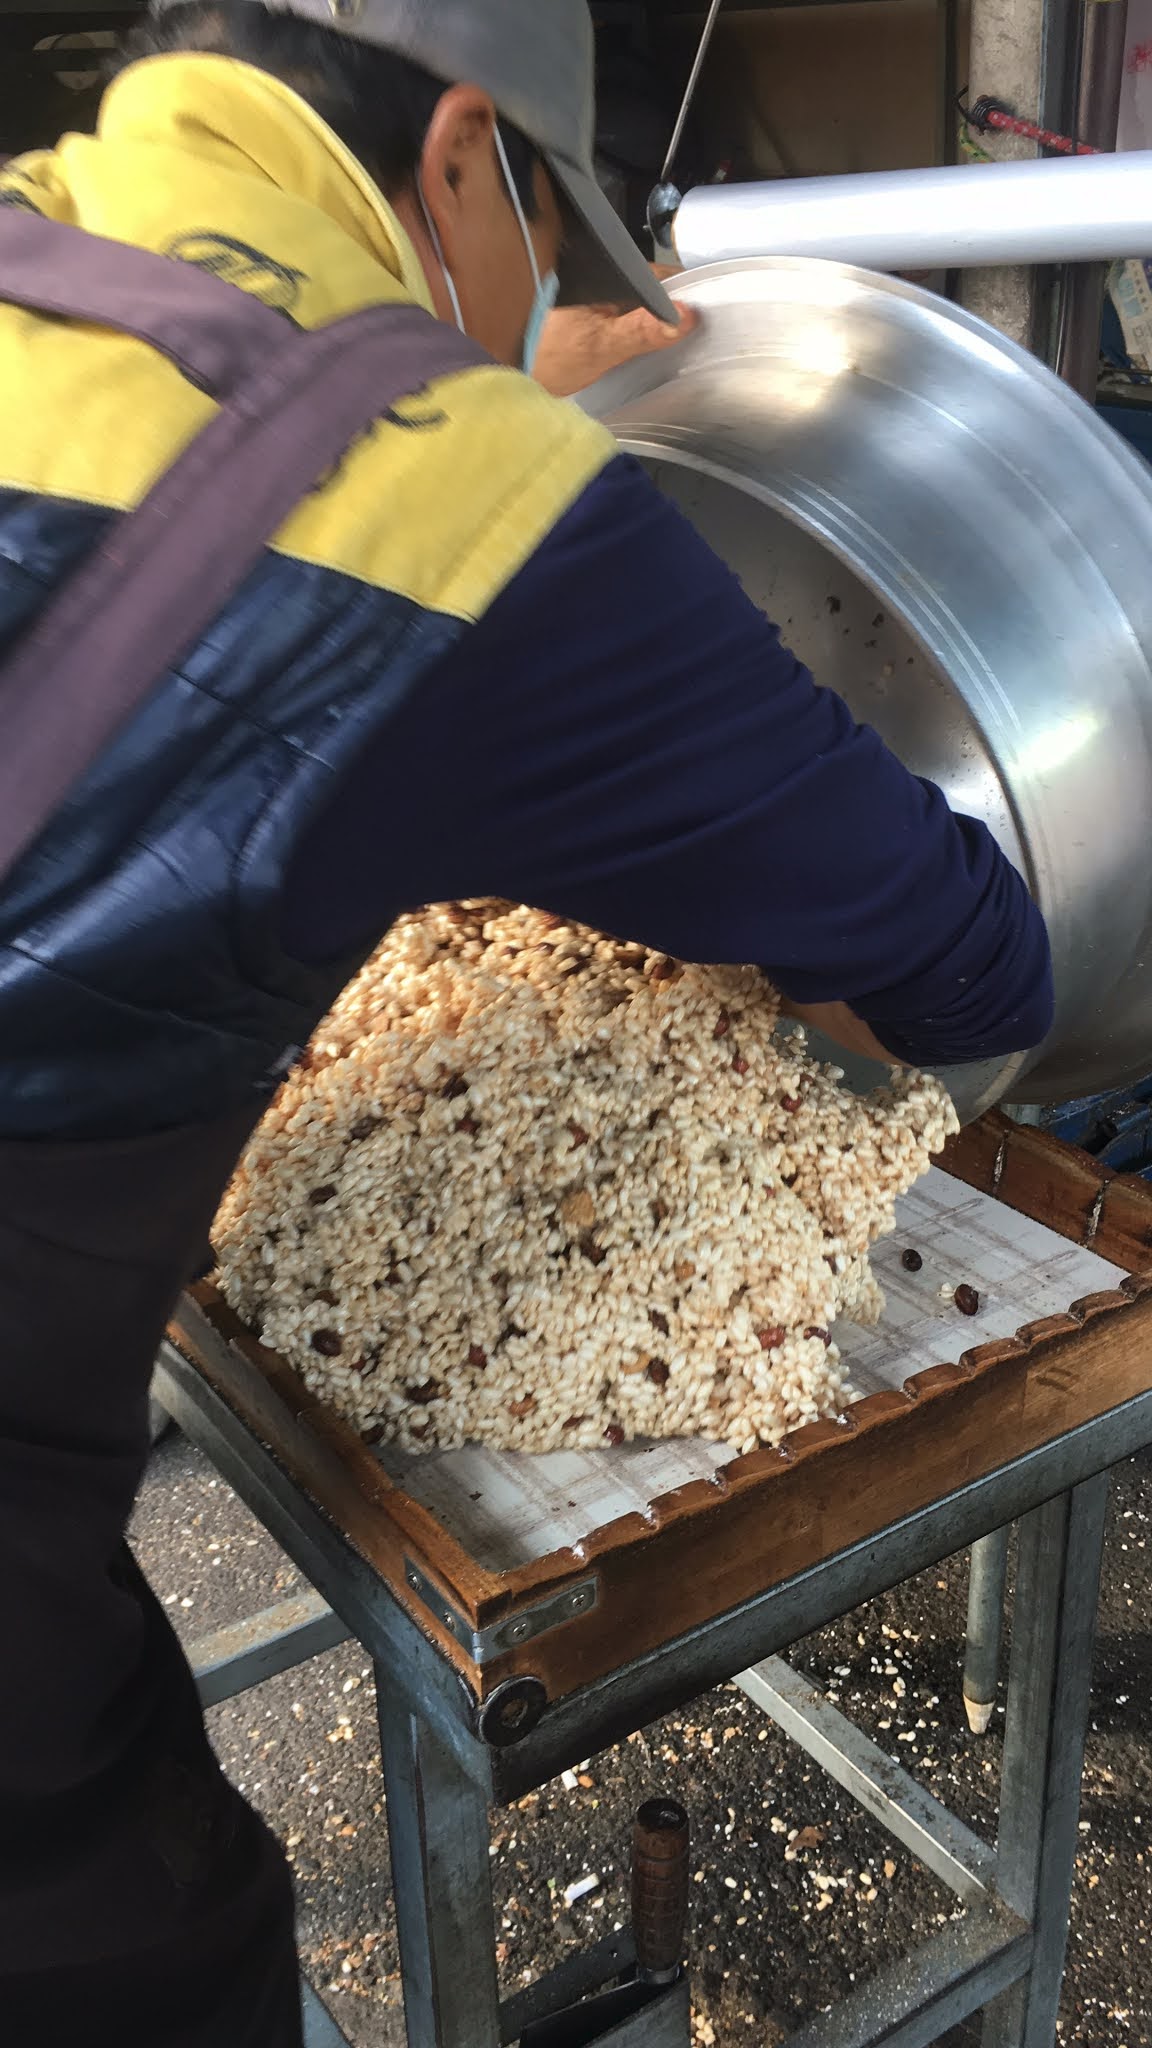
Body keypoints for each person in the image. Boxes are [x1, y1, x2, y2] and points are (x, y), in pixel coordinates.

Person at [0, 2, 1052, 2042]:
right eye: (559, 257)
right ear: (461, 160)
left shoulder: (44, 238)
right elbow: (969, 957)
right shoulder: (458, 489)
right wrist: (534, 454)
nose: (549, 310)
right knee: (157, 1956)